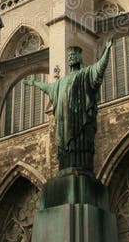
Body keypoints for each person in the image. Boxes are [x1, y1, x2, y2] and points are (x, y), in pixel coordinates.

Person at [26, 38, 112, 171]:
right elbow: (49, 88)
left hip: (80, 119)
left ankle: (82, 169)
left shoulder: (85, 73)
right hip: (65, 122)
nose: (71, 57)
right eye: (70, 56)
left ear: (79, 57)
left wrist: (107, 50)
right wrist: (34, 83)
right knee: (65, 149)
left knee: (81, 144)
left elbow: (99, 68)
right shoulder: (61, 81)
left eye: (74, 55)